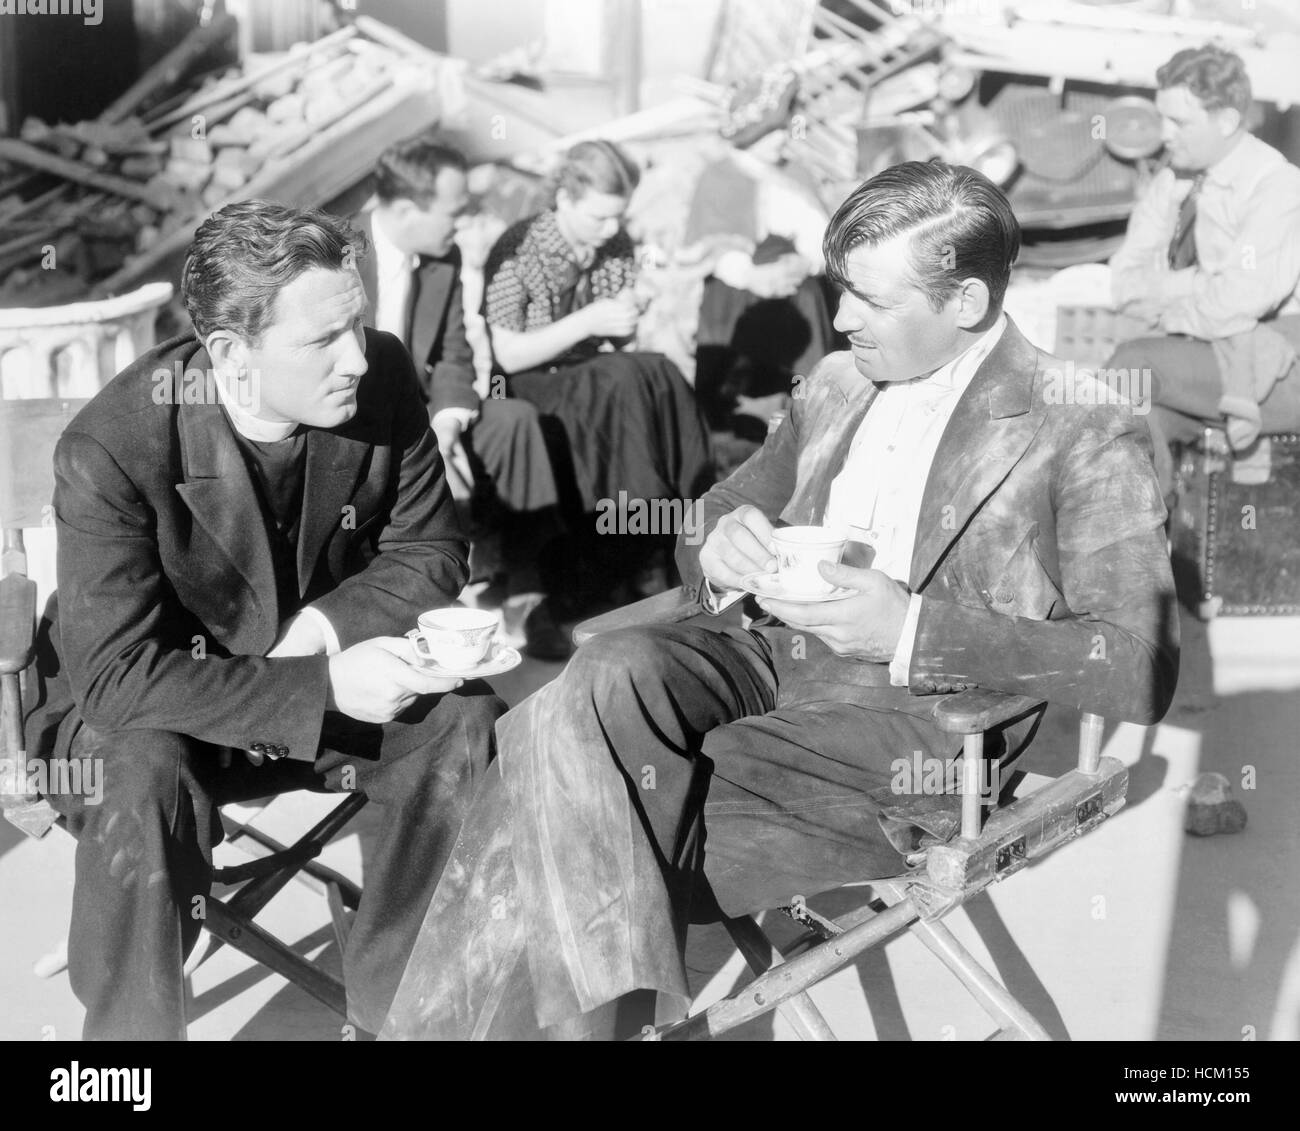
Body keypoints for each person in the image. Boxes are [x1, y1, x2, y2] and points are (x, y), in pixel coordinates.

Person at [381, 161, 1180, 1040]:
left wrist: (910, 628)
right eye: (841, 292)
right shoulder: (837, 382)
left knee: (552, 794)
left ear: (966, 303)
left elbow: (1137, 667)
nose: (839, 320)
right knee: (603, 672)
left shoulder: (1081, 425)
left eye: (870, 301)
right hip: (763, 651)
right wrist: (717, 544)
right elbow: (722, 508)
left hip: (914, 722)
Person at [25, 200, 504, 1040]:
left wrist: (321, 636)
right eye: (321, 342)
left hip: (313, 685)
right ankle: (123, 1055)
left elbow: (432, 551)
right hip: (146, 712)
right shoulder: (113, 446)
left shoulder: (382, 376)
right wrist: (317, 684)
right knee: (140, 773)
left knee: (461, 721)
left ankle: (412, 1013)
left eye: (355, 324)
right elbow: (113, 679)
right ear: (230, 355)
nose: (356, 358)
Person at [353, 137, 571, 658]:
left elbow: (453, 352)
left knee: (513, 420)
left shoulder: (441, 255)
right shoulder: (334, 251)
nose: (465, 224)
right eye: (455, 211)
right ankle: (428, 596)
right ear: (407, 209)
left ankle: (523, 589)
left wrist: (446, 423)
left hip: (421, 408)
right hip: (351, 411)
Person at [482, 139, 716, 607]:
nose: (611, 228)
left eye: (618, 216)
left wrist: (626, 314)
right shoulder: (519, 249)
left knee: (658, 371)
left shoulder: (613, 242)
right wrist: (587, 322)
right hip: (530, 378)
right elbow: (507, 354)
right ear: (564, 199)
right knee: (623, 378)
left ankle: (692, 511)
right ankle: (633, 539)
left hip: (592, 372)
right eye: (599, 217)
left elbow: (615, 343)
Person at [1107, 44, 1300, 496]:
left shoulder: (1276, 186)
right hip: (1213, 357)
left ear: (1227, 121)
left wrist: (1168, 305)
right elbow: (1124, 285)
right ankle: (1142, 551)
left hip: (1279, 365)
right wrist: (1195, 286)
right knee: (1134, 419)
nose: (1165, 134)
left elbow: (1238, 302)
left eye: (1180, 122)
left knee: (1133, 365)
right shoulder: (1177, 177)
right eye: (1162, 119)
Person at [688, 113, 837, 443]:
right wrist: (752, 276)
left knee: (811, 295)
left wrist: (804, 263)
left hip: (796, 280)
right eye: (771, 132)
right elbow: (709, 246)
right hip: (738, 288)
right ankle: (732, 412)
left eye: (784, 131)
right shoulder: (718, 176)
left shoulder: (796, 173)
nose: (782, 139)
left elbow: (822, 239)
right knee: (733, 305)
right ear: (749, 134)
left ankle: (806, 407)